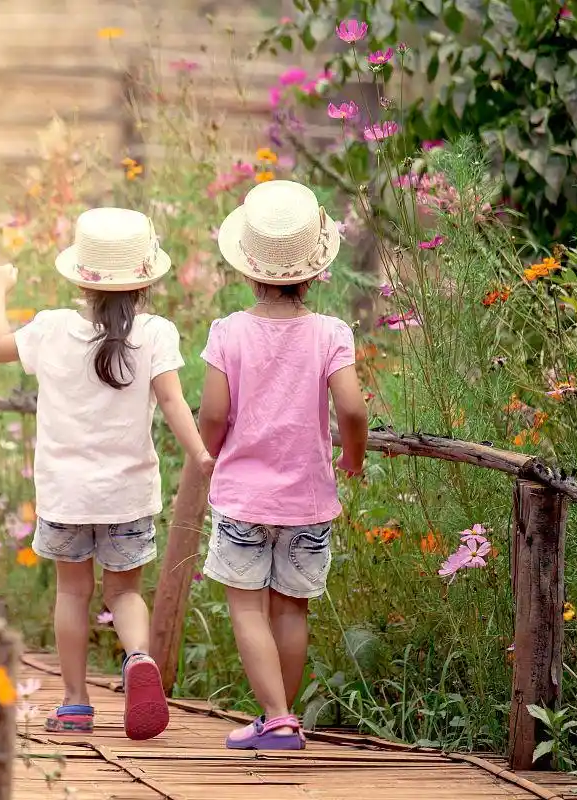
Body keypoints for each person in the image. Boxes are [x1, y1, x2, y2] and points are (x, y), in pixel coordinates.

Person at [0, 207, 214, 740]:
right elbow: (175, 401)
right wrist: (201, 455)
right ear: (145, 283)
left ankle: (74, 704)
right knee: (125, 594)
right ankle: (137, 659)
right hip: (127, 496)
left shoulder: (51, 328)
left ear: (82, 281)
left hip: (66, 496)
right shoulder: (156, 334)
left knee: (72, 594)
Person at [196, 180, 368, 750]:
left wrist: (209, 450)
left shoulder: (228, 333)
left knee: (246, 607)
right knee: (291, 608)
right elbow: (351, 407)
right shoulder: (330, 333)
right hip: (308, 499)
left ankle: (276, 717)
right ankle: (281, 716)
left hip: (244, 496)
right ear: (315, 272)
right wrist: (353, 456)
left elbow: (215, 411)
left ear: (248, 269)